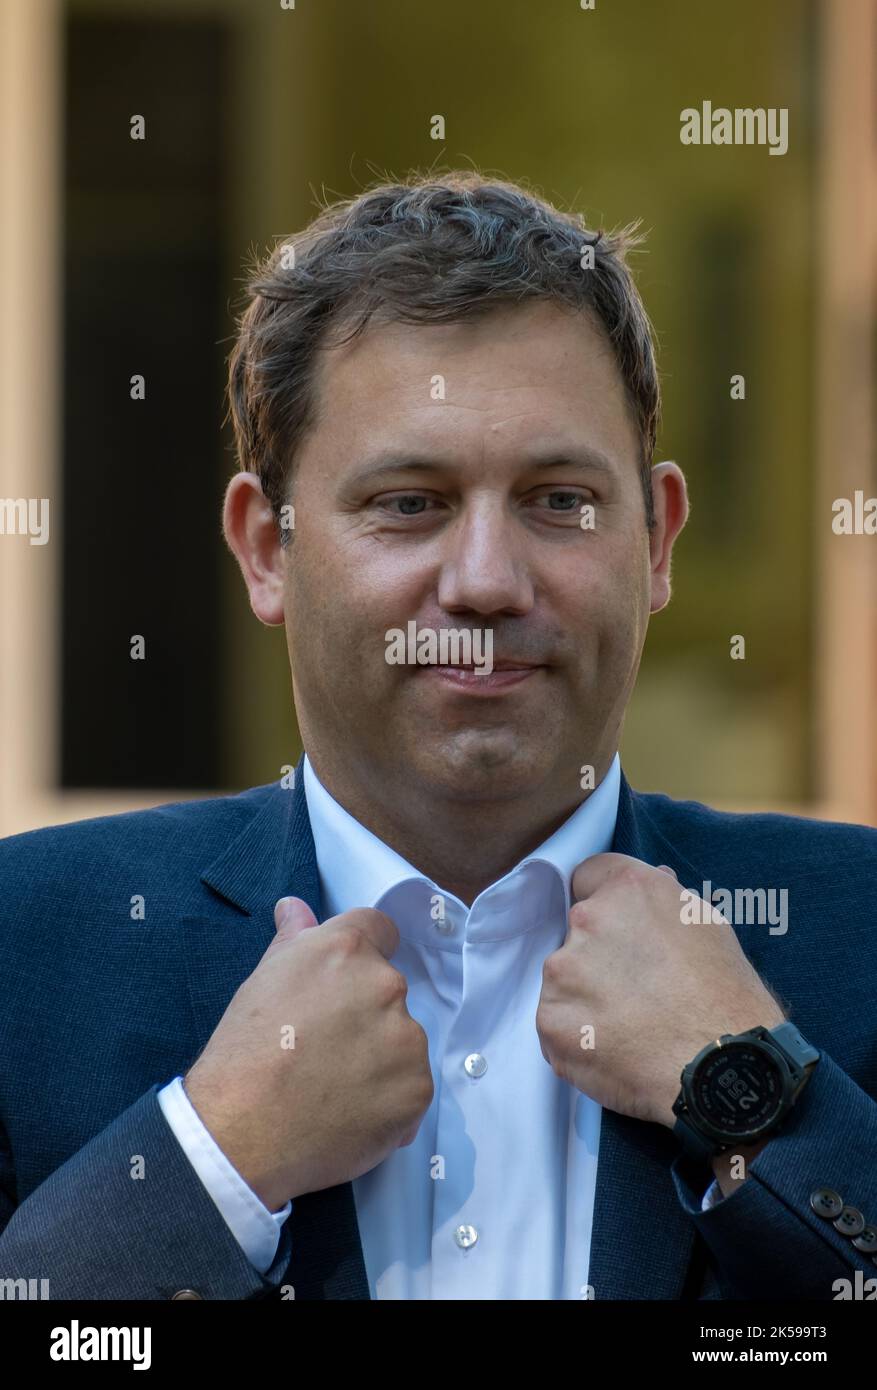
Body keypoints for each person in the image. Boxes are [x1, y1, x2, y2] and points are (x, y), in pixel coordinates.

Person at [1, 172, 875, 1301]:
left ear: (656, 539)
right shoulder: (29, 950)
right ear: (268, 548)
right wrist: (215, 1160)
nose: (486, 581)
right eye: (408, 502)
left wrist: (748, 1090)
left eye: (559, 500)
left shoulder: (856, 929)